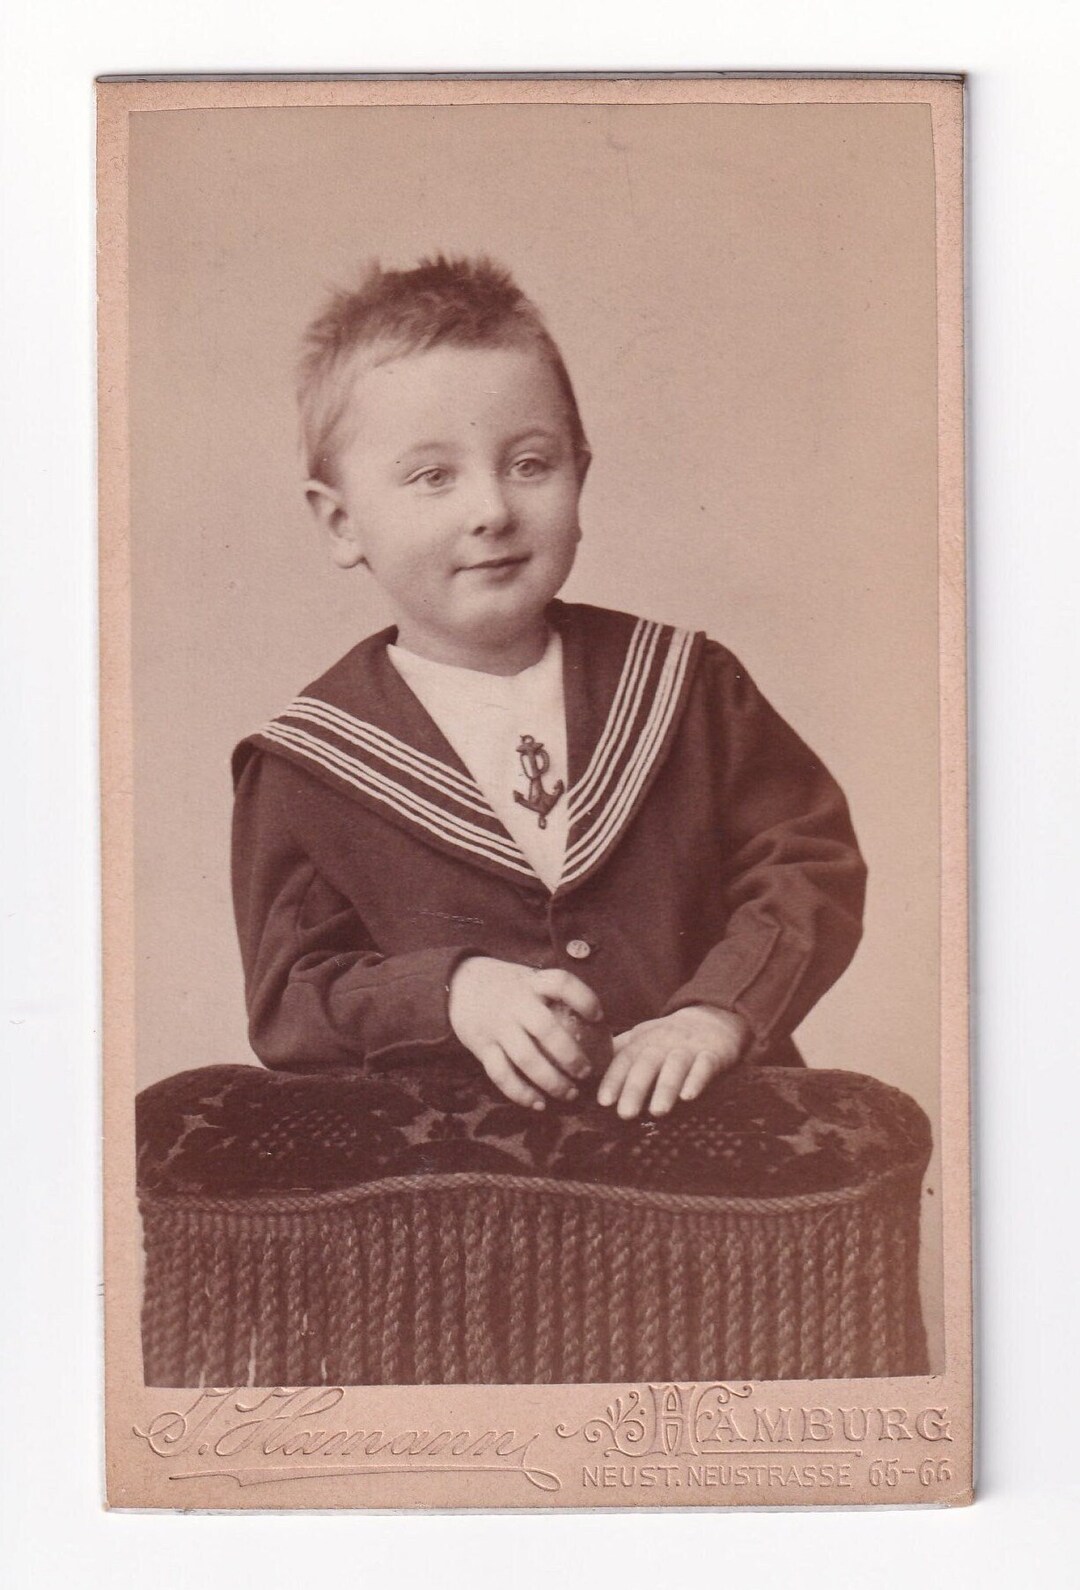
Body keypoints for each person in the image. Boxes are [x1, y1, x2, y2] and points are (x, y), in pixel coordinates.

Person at [231, 256, 866, 1122]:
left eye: (530, 464)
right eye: (432, 476)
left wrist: (718, 1010)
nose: (491, 509)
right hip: (457, 1184)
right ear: (343, 523)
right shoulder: (309, 764)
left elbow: (806, 865)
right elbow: (292, 996)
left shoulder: (685, 686)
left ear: (581, 475)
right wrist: (451, 993)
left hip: (708, 1145)